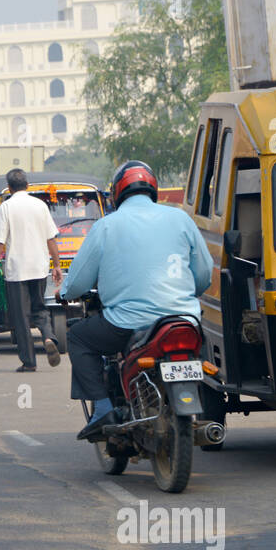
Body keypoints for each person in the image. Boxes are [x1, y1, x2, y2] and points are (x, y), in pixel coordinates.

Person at [59, 160, 214, 438]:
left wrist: (64, 292)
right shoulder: (180, 218)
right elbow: (203, 274)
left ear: (117, 193)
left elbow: (79, 282)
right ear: (153, 188)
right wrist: (188, 296)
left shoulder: (106, 226)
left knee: (79, 337)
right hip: (183, 320)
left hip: (128, 324)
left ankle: (103, 408)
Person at [0, 169, 63, 372]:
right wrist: (56, 265)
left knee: (21, 317)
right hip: (39, 267)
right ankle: (48, 336)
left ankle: (29, 362)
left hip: (17, 270)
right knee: (40, 308)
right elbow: (51, 240)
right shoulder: (40, 206)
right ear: (27, 185)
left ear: (9, 187)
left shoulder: (7, 207)